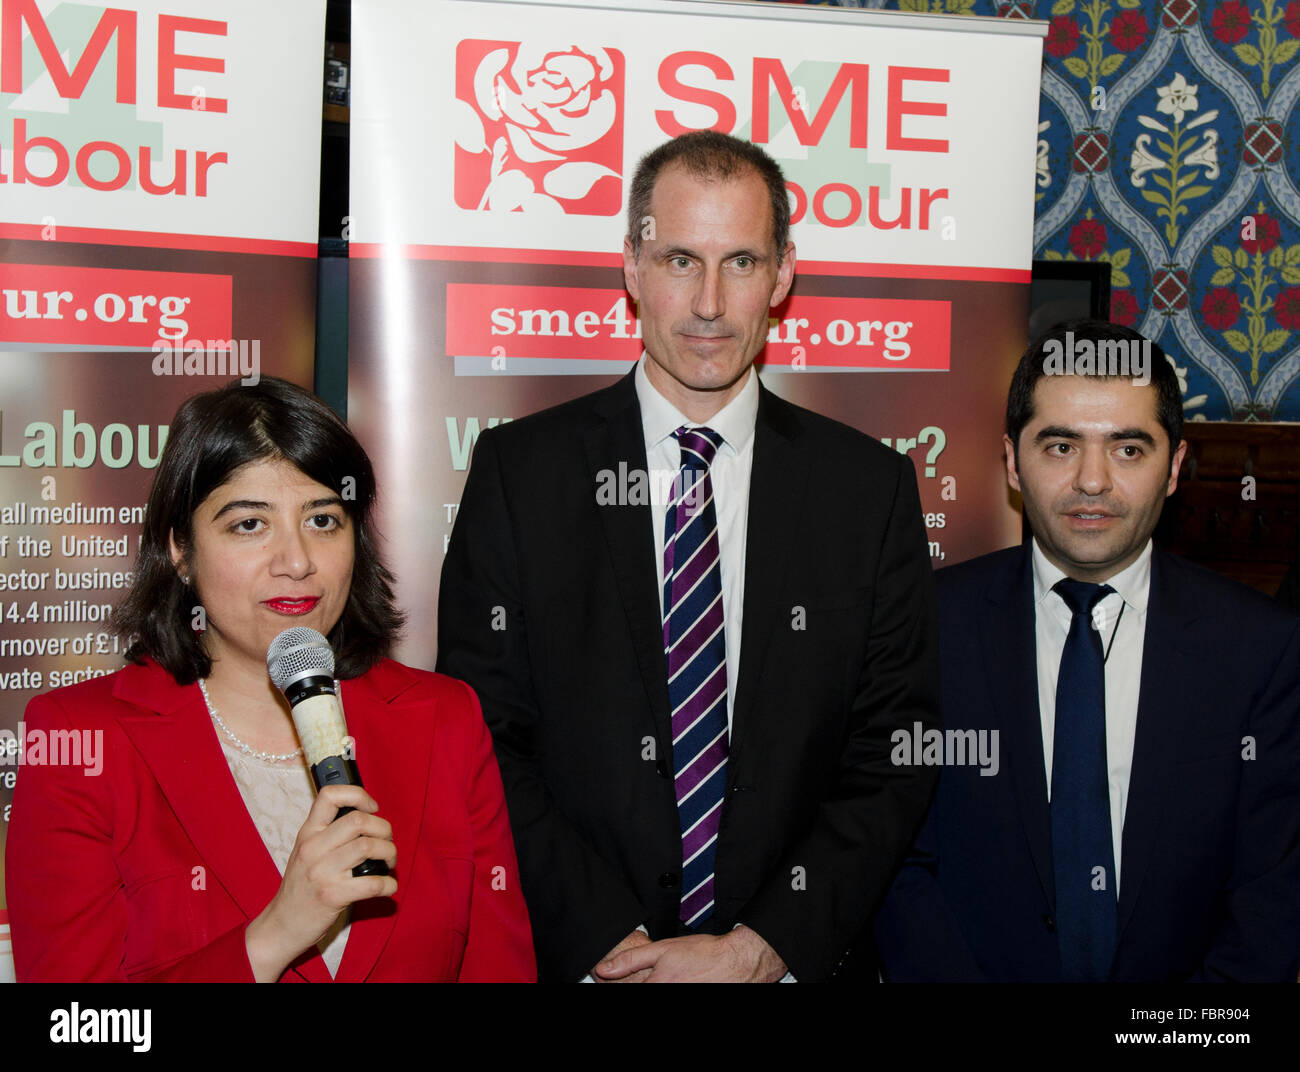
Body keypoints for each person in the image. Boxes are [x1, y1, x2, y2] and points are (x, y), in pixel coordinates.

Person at [437, 130, 940, 982]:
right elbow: (483, 734)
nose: (709, 303)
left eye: (740, 262)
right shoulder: (522, 474)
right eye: (679, 259)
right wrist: (607, 943)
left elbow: (899, 747)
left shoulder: (870, 490)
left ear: (782, 274)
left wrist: (762, 949)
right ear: (631, 266)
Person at [6, 377, 536, 982]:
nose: (296, 561)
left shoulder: (444, 717)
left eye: (323, 520)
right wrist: (277, 932)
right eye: (249, 525)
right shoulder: (81, 740)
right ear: (180, 549)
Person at [874, 319, 1300, 981]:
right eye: (1060, 445)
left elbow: (1271, 899)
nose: (1093, 481)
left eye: (1129, 449)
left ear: (1174, 468)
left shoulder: (1262, 650)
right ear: (1013, 460)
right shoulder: (923, 624)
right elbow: (895, 862)